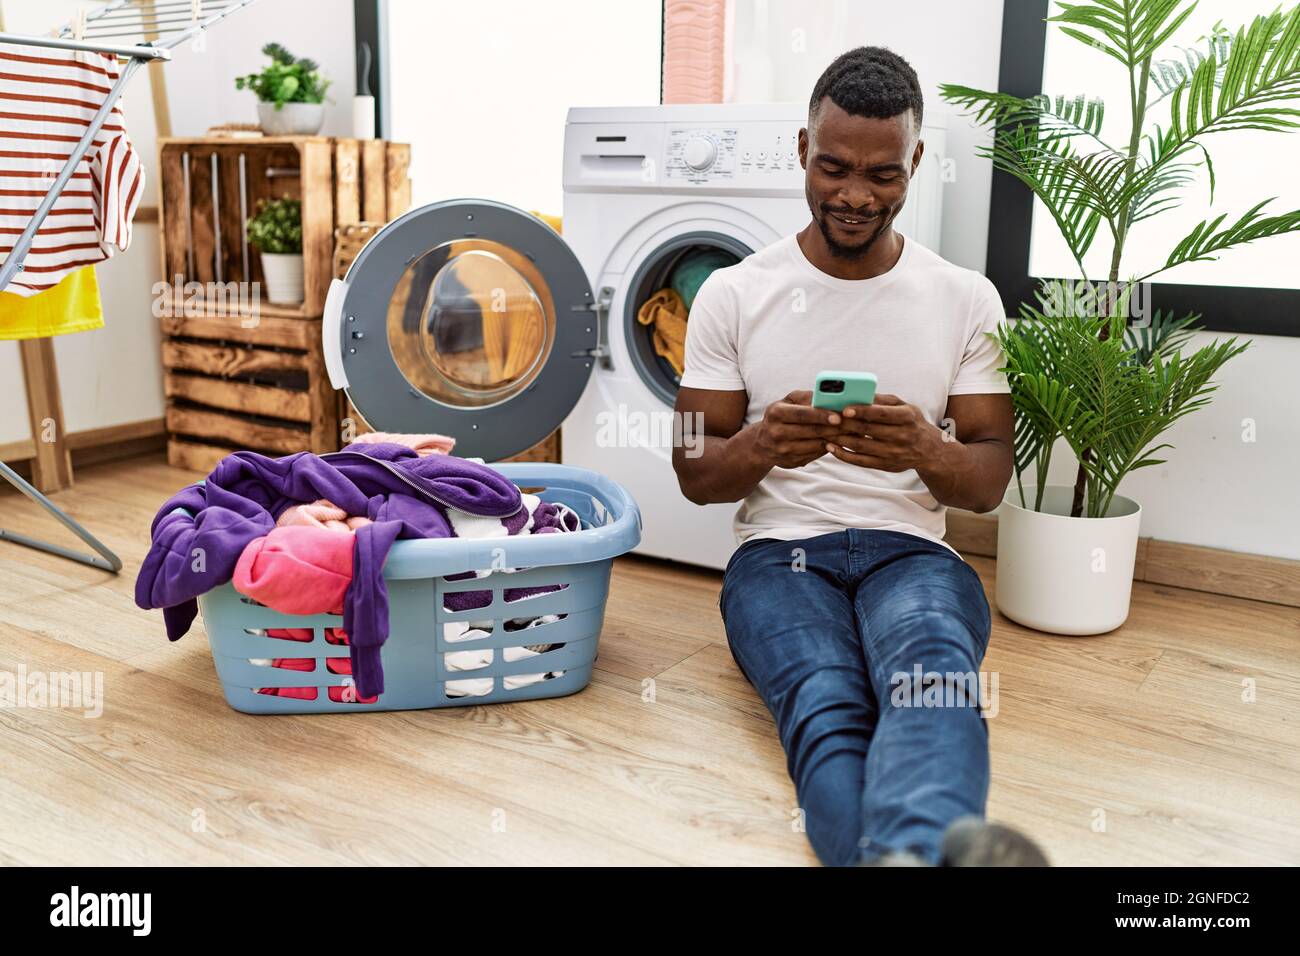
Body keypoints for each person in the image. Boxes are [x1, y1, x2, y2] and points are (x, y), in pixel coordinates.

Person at [672, 46, 1047, 866]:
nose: (853, 195)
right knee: (826, 697)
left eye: (883, 175)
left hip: (913, 555)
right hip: (777, 557)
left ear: (914, 162)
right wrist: (765, 444)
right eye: (834, 166)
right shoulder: (734, 293)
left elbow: (985, 483)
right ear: (802, 151)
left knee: (931, 678)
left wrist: (924, 449)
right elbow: (695, 472)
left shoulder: (964, 298)